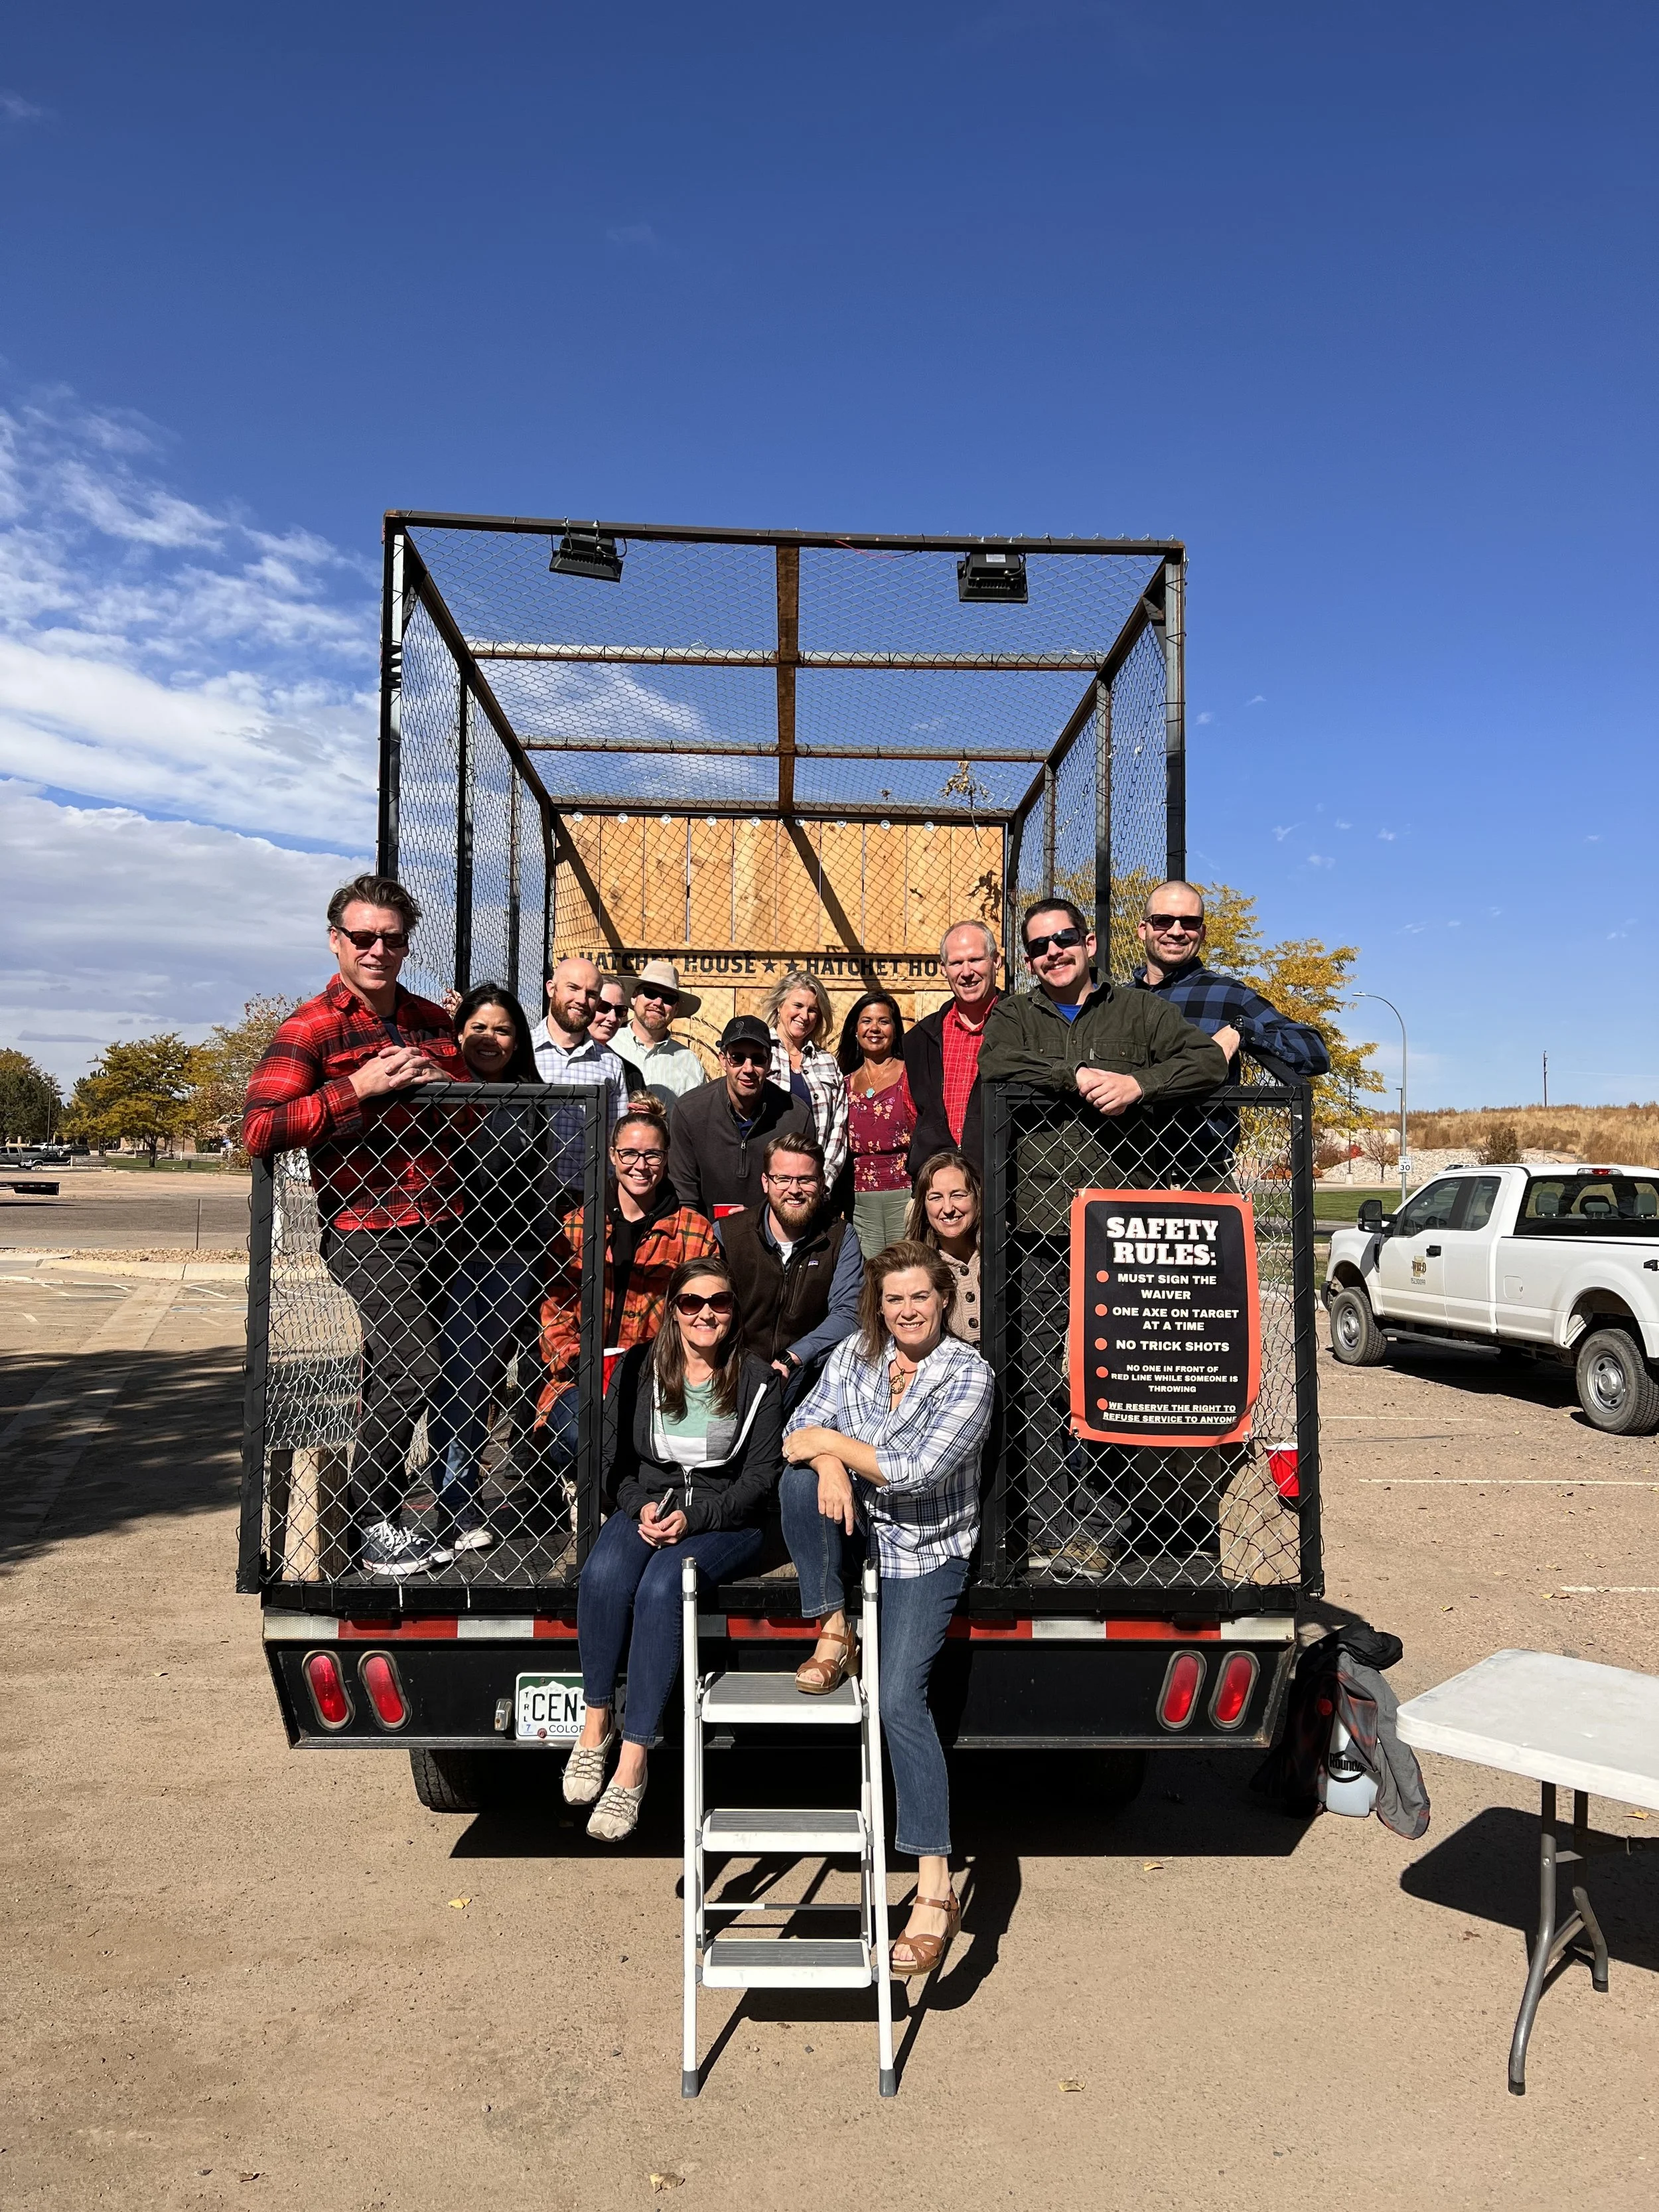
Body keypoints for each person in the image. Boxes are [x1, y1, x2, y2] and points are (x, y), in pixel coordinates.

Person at [979, 899, 1228, 1578]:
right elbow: (997, 1064)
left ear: (1089, 942)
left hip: (1119, 1231)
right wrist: (1075, 1076)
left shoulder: (1139, 1012)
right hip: (1035, 1229)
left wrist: (1140, 1084)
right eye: (1038, 946)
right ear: (1027, 958)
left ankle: (1102, 1525)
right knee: (1037, 1379)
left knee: (1111, 1377)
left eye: (1063, 938)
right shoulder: (1015, 1016)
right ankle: (1044, 1525)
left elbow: (1206, 1061)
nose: (1052, 952)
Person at [244, 873, 465, 1579]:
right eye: (363, 937)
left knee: (408, 1370)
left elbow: (474, 1115)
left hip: (447, 1223)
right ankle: (366, 1521)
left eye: (391, 939)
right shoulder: (310, 1028)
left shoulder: (432, 1021)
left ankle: (393, 1517)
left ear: (406, 945)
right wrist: (354, 1090)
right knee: (414, 1364)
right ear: (335, 940)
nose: (377, 950)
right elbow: (260, 1127)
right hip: (365, 1224)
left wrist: (450, 1088)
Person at [781, 1242, 993, 1978]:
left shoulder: (967, 1373)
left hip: (925, 1551)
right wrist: (828, 1461)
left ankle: (935, 1888)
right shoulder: (854, 1355)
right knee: (798, 1481)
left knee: (900, 1699)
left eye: (919, 1297)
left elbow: (914, 1470)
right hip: (859, 1530)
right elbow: (797, 1432)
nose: (906, 1311)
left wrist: (830, 1445)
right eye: (893, 1299)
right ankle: (831, 1627)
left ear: (943, 1299)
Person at [563, 1258, 782, 1842]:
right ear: (673, 1310)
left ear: (734, 1311)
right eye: (691, 1302)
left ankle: (634, 1762)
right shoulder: (639, 1367)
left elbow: (758, 1483)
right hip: (652, 1505)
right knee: (604, 1574)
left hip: (725, 1518)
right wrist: (640, 1508)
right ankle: (596, 1723)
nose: (705, 1313)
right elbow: (615, 1466)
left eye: (719, 1302)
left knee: (663, 1587)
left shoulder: (759, 1380)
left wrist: (695, 1517)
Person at [426, 984, 549, 1560]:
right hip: (449, 1253)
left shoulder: (532, 1098)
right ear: (458, 1031)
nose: (490, 1039)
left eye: (502, 1029)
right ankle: (456, 1502)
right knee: (459, 1373)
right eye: (478, 1027)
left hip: (512, 1254)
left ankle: (464, 1491)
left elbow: (537, 1177)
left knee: (483, 1378)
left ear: (518, 1039)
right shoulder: (439, 1090)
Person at [538, 1102, 722, 1467]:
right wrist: (578, 1360)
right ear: (612, 1155)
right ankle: (584, 1486)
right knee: (581, 1434)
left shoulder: (693, 1231)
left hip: (662, 1379)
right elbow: (554, 1312)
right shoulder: (578, 1226)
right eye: (629, 1154)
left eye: (652, 1155)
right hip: (581, 1379)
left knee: (692, 1438)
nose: (641, 1165)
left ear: (666, 1159)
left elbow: (707, 1314)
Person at [1131, 877, 1331, 1177]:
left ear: (1202, 933)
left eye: (1189, 922)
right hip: (1120, 1172)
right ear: (1143, 929)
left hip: (1200, 1173)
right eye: (1163, 921)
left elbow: (1315, 1052)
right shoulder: (1117, 1001)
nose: (1176, 931)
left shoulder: (1228, 996)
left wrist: (1242, 1030)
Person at [717, 1132, 861, 1399]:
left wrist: (794, 1356)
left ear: (821, 1183)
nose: (794, 1190)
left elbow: (848, 1313)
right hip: (733, 1376)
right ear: (766, 1182)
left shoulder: (840, 1238)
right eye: (783, 1179)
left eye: (806, 1180)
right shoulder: (728, 1235)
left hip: (807, 1379)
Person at [667, 1014, 812, 1219]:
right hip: (703, 1230)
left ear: (769, 1063)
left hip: (774, 1228)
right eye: (738, 1058)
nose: (748, 1068)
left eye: (758, 1059)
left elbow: (803, 1191)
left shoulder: (795, 1115)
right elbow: (684, 1195)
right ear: (723, 1060)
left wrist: (756, 1222)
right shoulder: (689, 1112)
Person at [904, 921, 1001, 1182]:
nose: (966, 972)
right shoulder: (919, 1039)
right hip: (938, 1187)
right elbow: (914, 1113)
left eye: (976, 960)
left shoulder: (1022, 1026)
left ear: (996, 961)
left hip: (1004, 1184)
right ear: (943, 969)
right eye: (957, 963)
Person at [530, 956, 628, 1195]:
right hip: (526, 1197)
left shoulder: (611, 1064)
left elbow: (616, 1140)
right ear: (551, 989)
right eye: (573, 988)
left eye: (592, 994)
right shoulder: (521, 1052)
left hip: (587, 1200)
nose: (582, 1000)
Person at [836, 991, 916, 1258]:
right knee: (868, 1273)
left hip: (905, 1194)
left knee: (906, 1268)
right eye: (866, 1021)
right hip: (859, 1200)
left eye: (884, 1021)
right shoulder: (843, 1083)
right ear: (855, 1030)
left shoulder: (911, 1074)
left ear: (895, 1029)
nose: (875, 1029)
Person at [763, 970, 848, 1187]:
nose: (804, 1016)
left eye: (812, 1010)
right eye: (798, 1006)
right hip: (769, 1182)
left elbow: (838, 1128)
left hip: (814, 1185)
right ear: (780, 1005)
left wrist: (823, 1181)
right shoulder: (759, 1053)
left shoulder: (827, 1063)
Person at [906, 1149, 983, 1347]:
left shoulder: (1005, 1254)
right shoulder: (914, 1267)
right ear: (923, 1205)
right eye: (936, 1198)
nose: (948, 1209)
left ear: (977, 1197)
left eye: (958, 1195)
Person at [611, 958, 706, 1115]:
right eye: (651, 993)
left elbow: (697, 1118)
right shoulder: (609, 1043)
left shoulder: (689, 1062)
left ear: (676, 1009)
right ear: (634, 997)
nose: (658, 1003)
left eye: (668, 999)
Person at [587, 975, 630, 1051]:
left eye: (619, 1010)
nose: (613, 1018)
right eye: (603, 1007)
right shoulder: (565, 1054)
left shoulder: (614, 1058)